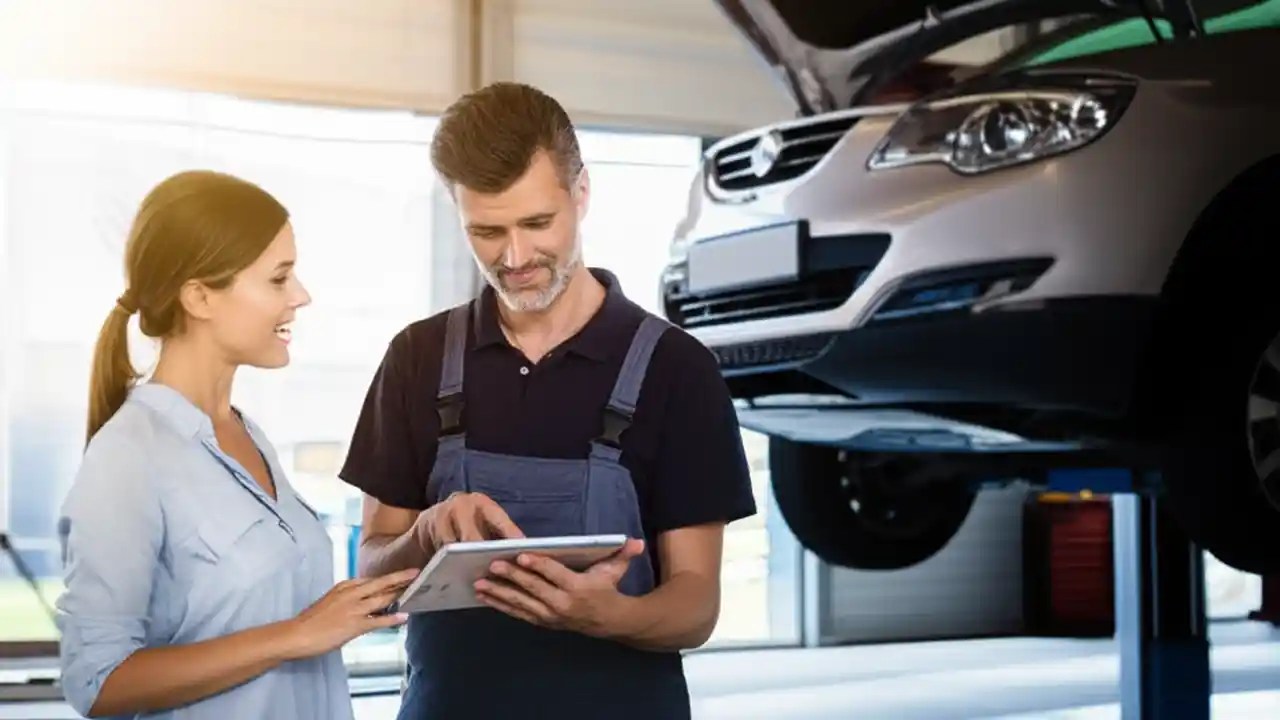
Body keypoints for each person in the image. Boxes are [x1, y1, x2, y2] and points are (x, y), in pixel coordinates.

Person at [339, 81, 758, 719]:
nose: (515, 258)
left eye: (537, 223)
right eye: (485, 230)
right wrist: (423, 535)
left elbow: (696, 604)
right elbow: (372, 576)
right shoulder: (417, 359)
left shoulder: (678, 370)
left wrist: (610, 615)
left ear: (581, 193)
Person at [55, 170, 419, 720]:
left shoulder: (250, 437)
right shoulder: (129, 456)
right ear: (200, 296)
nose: (301, 296)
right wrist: (295, 634)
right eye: (278, 279)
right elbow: (99, 682)